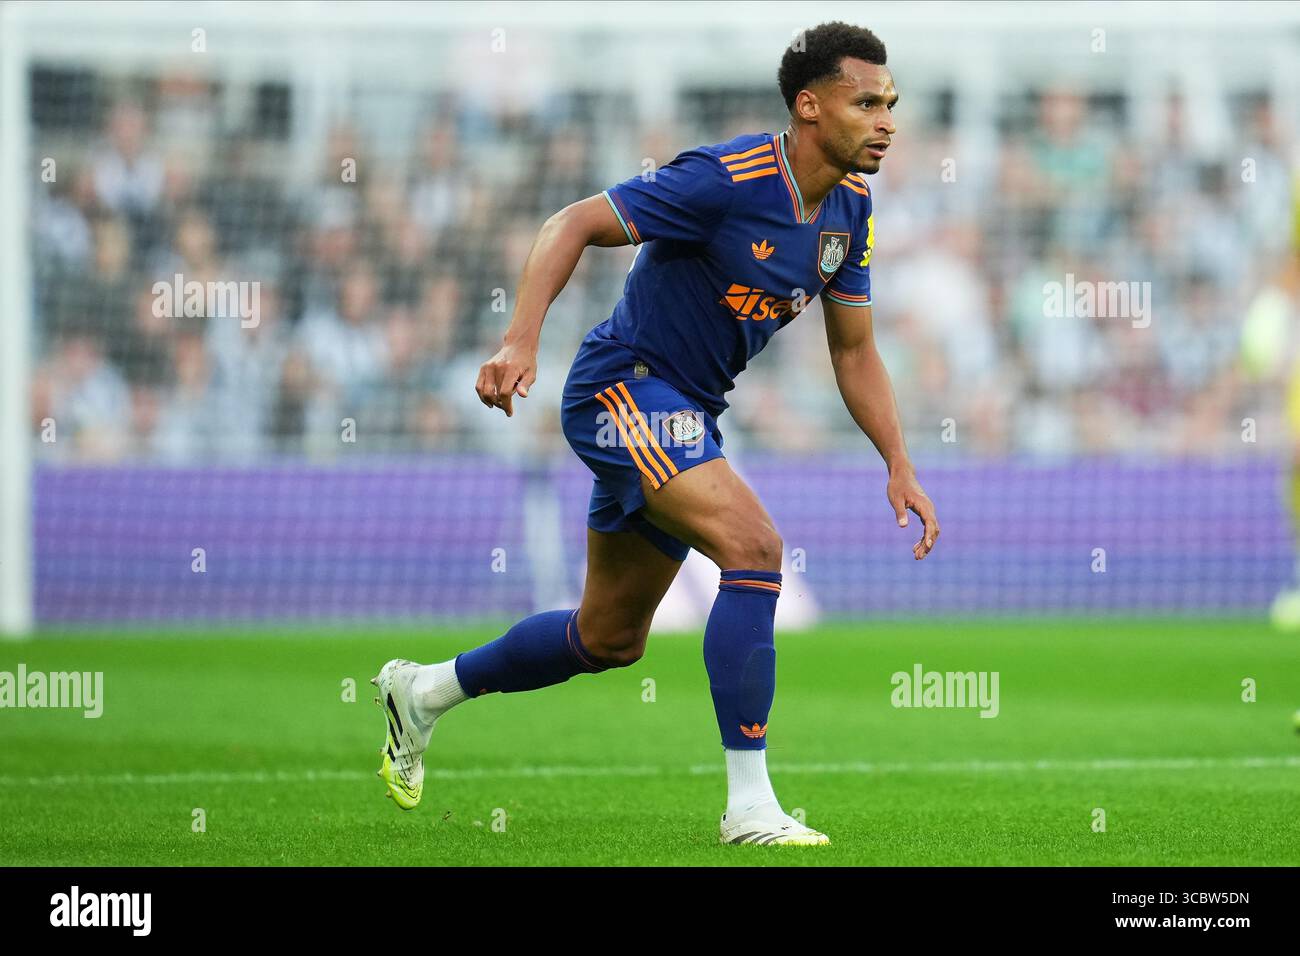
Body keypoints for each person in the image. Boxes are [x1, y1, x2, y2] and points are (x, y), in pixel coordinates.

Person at [372, 21, 939, 846]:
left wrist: (899, 461)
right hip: (622, 388)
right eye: (866, 103)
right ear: (810, 107)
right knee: (754, 547)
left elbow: (854, 351)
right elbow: (570, 223)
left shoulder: (849, 211)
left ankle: (422, 693)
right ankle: (750, 807)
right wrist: (520, 338)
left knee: (607, 637)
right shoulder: (724, 178)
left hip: (685, 414)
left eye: (891, 103)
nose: (887, 119)